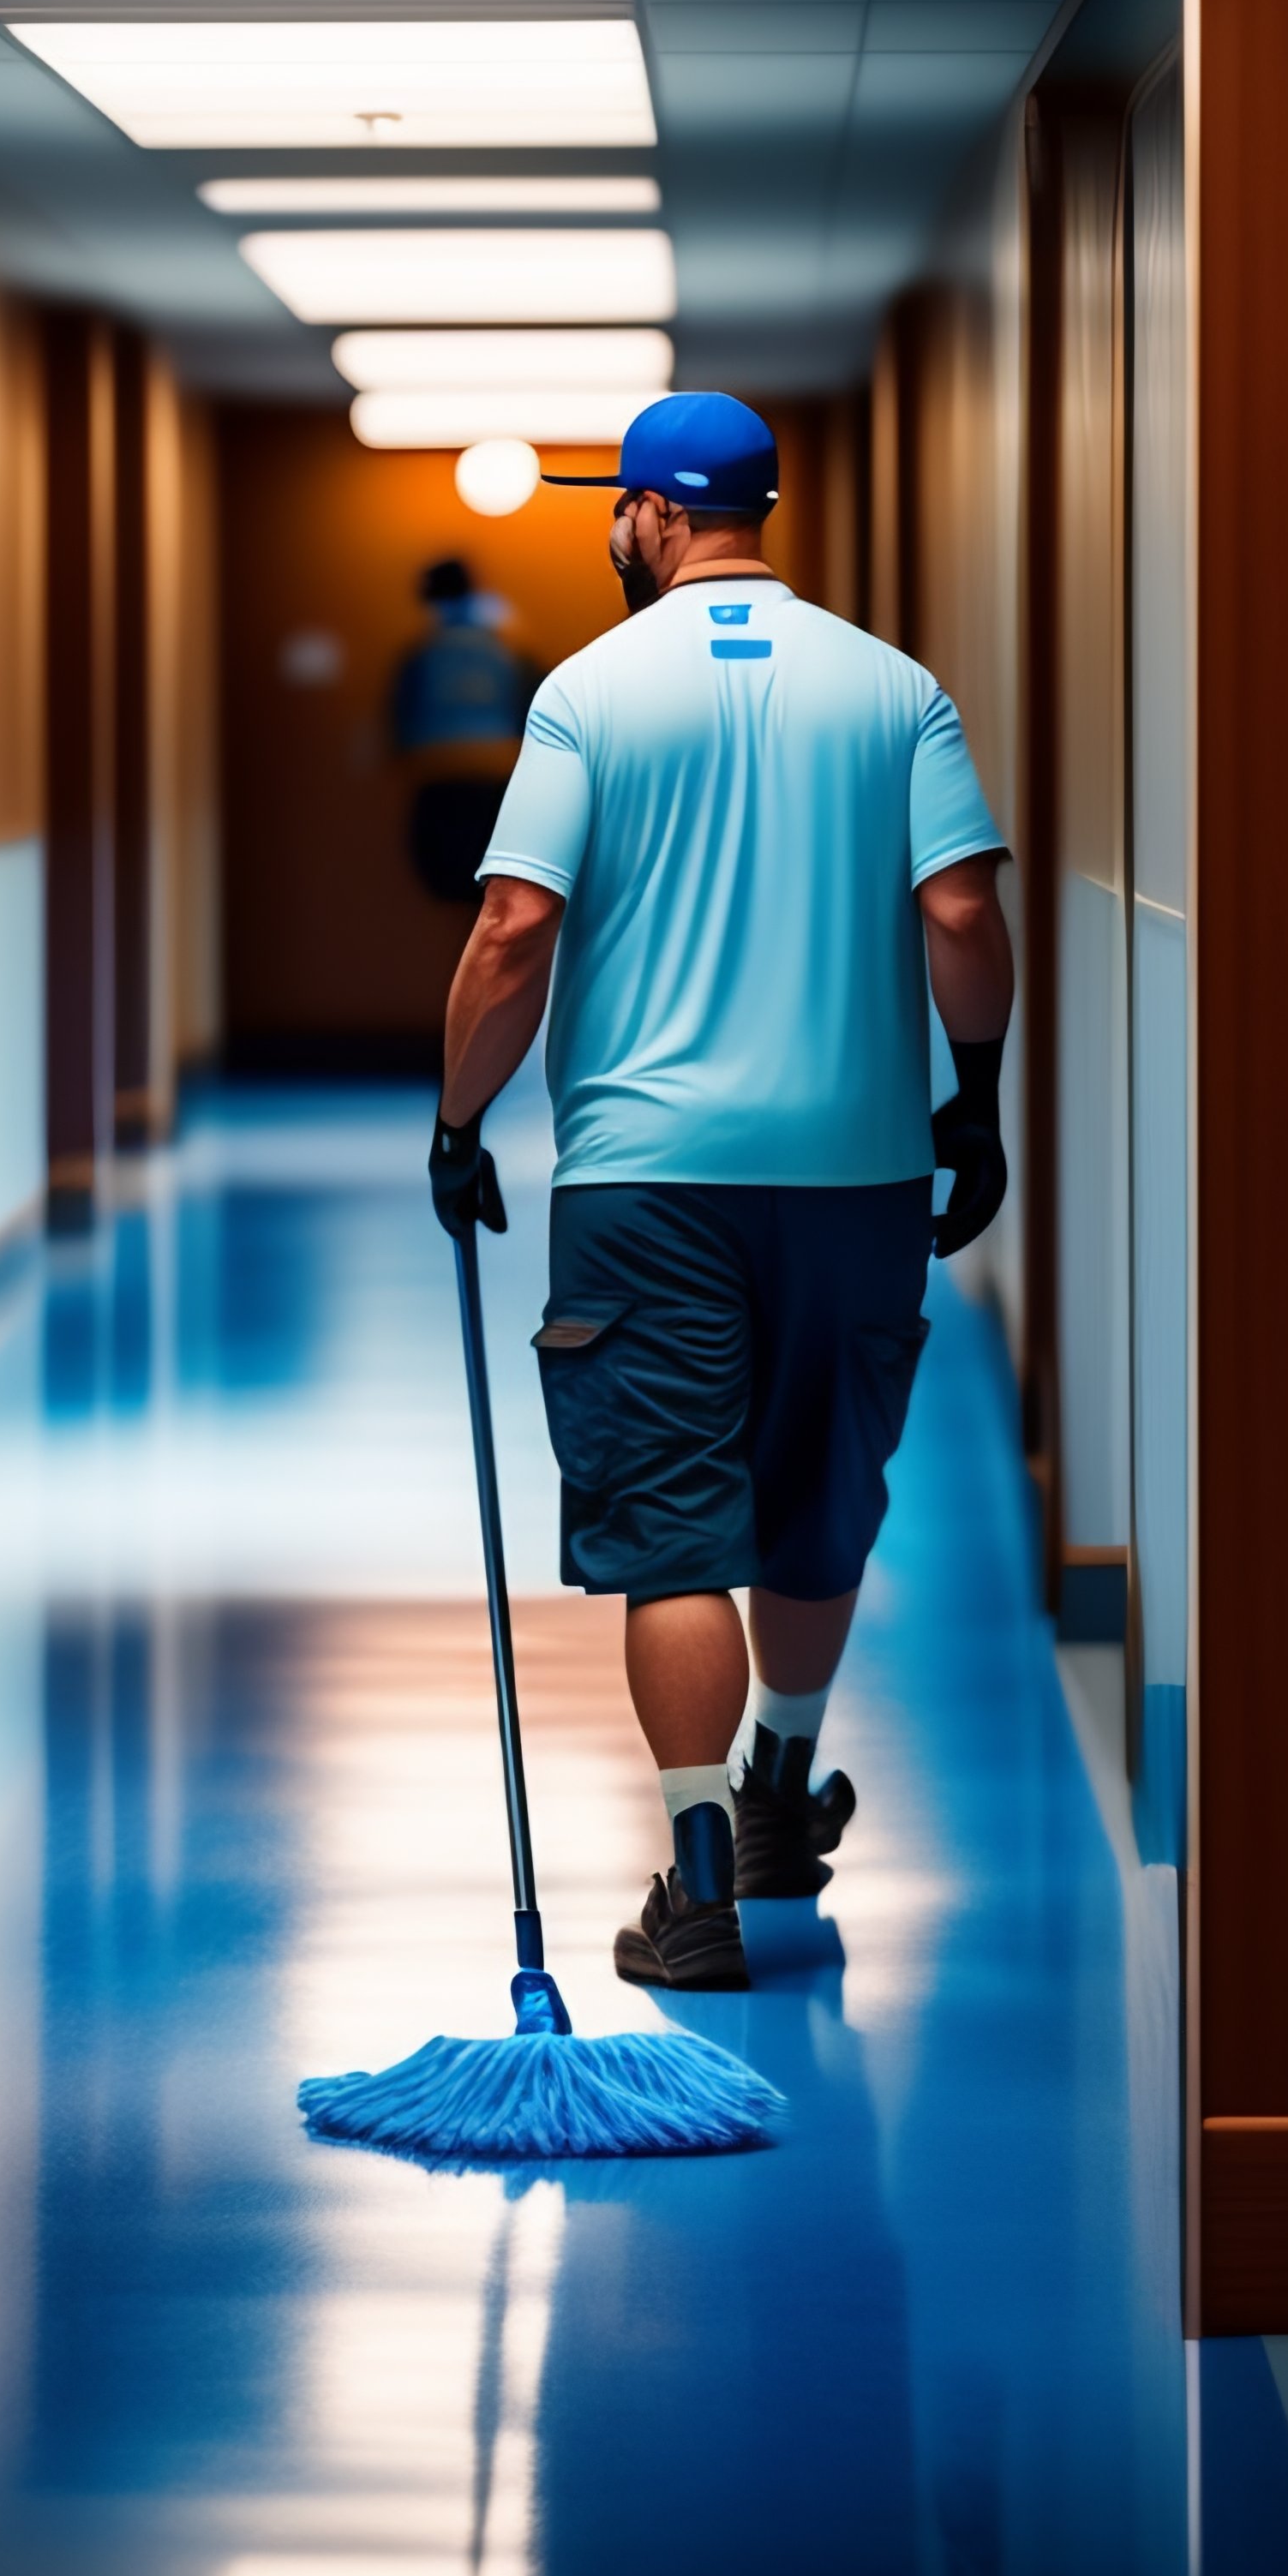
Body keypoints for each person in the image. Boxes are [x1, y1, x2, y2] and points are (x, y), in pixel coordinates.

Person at [428, 391, 1014, 1992]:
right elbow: (963, 915)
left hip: (645, 1183)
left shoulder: (587, 693)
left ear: (655, 515)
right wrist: (974, 1099)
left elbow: (512, 930)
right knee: (819, 1494)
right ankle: (779, 1789)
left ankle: (697, 1889)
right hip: (857, 1169)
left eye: (617, 504)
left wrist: (459, 1119)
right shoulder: (893, 689)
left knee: (673, 1528)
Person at [392, 558, 536, 902]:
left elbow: (401, 726)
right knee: (488, 889)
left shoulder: (422, 655)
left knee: (451, 885)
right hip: (496, 786)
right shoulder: (505, 648)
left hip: (440, 784)